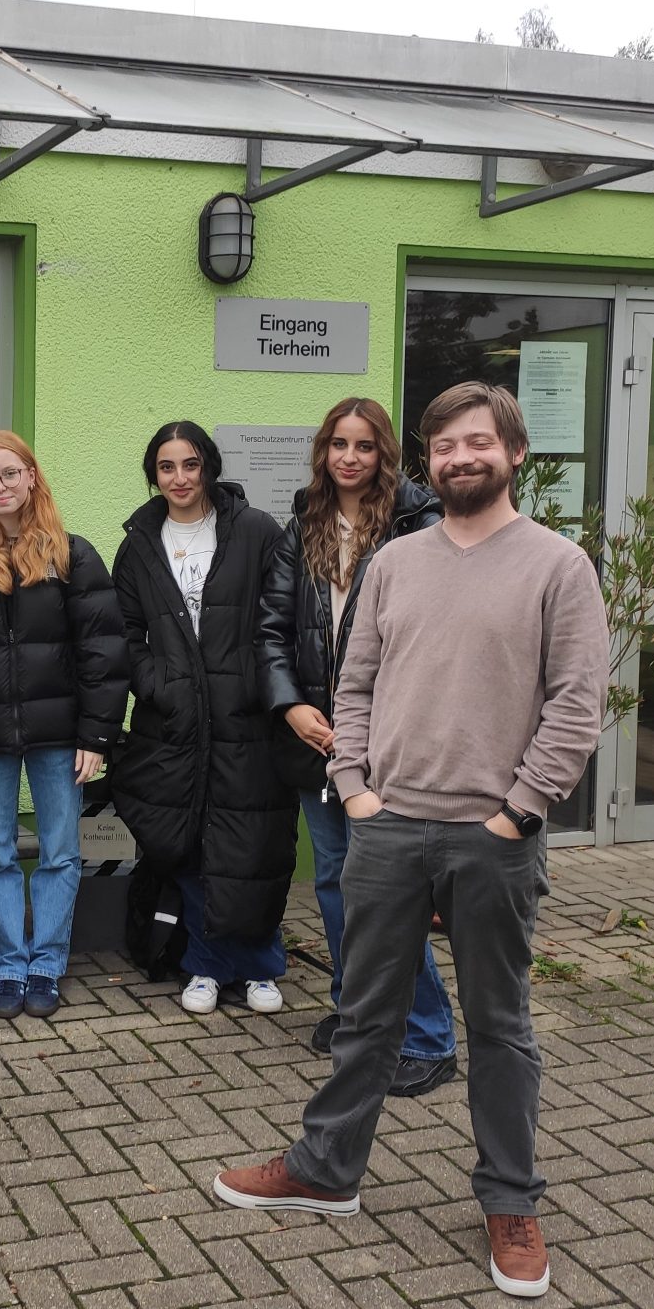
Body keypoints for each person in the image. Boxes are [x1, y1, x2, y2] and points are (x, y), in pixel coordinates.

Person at [214, 382, 609, 1303]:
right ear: (430, 461)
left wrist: (519, 812)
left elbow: (576, 705)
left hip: (493, 835)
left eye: (479, 442)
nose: (461, 457)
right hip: (388, 827)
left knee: (500, 1026)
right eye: (446, 446)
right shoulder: (396, 563)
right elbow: (354, 685)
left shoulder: (558, 567)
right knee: (365, 1015)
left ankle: (510, 1201)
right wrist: (354, 789)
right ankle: (326, 1170)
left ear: (514, 454)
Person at [259, 397, 457, 1098]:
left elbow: (435, 639)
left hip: (387, 741)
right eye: (339, 444)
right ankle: (356, 1011)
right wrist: (292, 706)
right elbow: (270, 629)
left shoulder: (418, 523)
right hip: (316, 739)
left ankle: (428, 1037)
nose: (349, 457)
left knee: (388, 893)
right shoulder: (303, 525)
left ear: (384, 454)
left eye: (364, 446)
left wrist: (377, 722)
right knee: (336, 883)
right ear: (324, 452)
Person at [109, 421, 295, 1017]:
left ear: (209, 466)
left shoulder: (256, 530)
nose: (180, 478)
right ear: (154, 475)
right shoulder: (141, 542)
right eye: (167, 467)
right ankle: (206, 965)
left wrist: (261, 685)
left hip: (246, 718)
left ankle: (261, 965)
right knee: (187, 845)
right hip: (174, 723)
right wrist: (156, 683)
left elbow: (283, 617)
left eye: (190, 464)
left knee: (253, 846)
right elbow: (123, 633)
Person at [0, 431, 127, 1020]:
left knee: (60, 853)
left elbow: (103, 651)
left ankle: (46, 962)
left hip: (60, 734)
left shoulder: (73, 554)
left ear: (31, 477)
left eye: (9, 474)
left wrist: (97, 735)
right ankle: (8, 965)